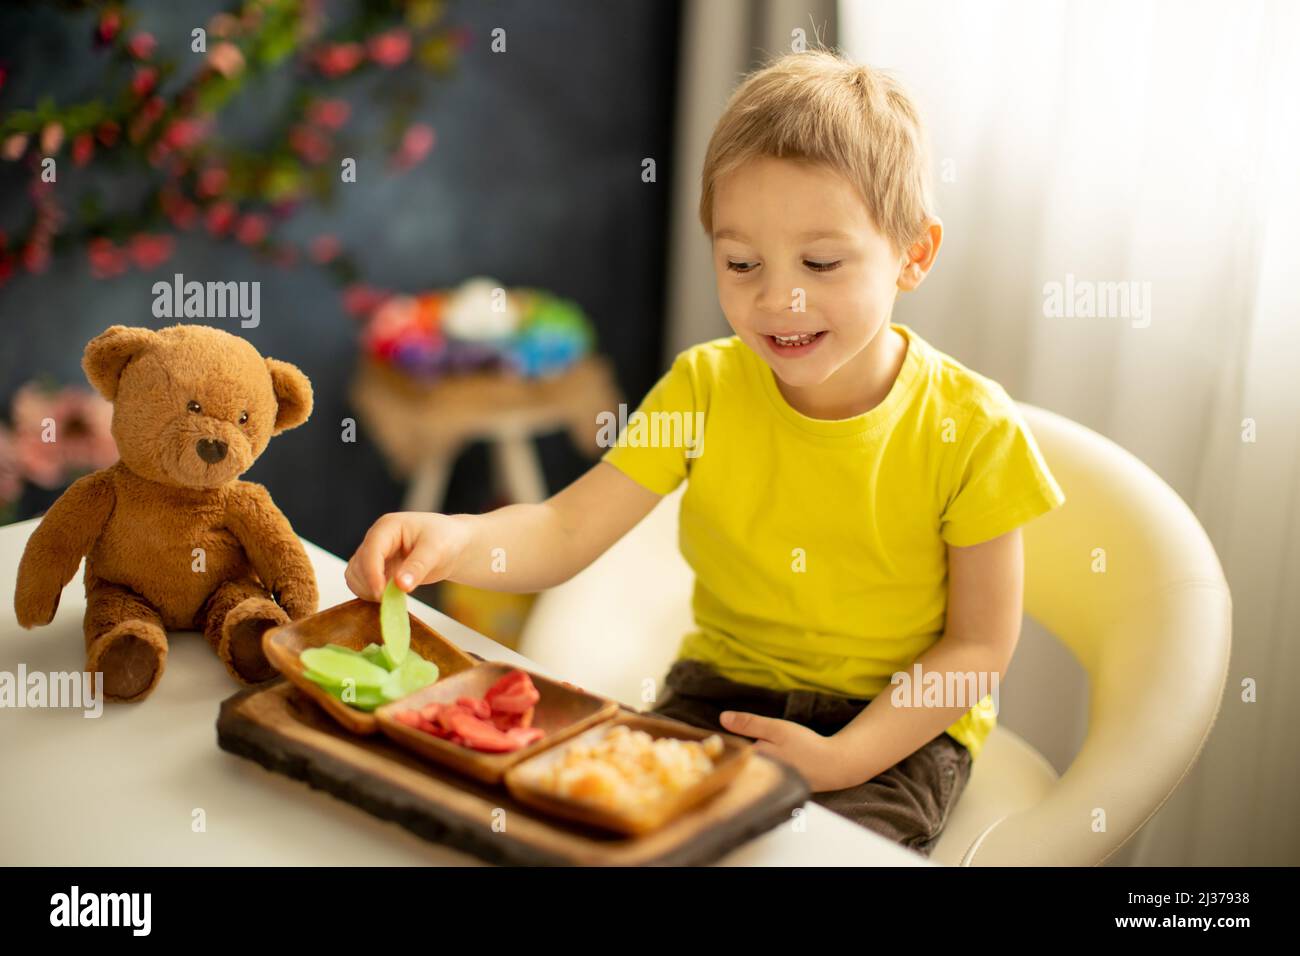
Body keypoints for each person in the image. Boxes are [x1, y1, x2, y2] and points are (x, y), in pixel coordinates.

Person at [345, 48, 1066, 857]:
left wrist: (843, 758)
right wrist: (456, 541)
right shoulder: (703, 387)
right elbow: (563, 529)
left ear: (914, 253)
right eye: (741, 263)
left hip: (892, 730)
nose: (777, 298)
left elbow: (978, 647)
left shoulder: (974, 430)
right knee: (607, 838)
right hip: (720, 694)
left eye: (821, 263)